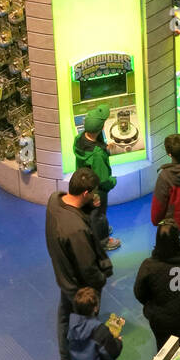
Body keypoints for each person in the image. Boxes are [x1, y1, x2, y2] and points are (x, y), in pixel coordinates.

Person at [45, 167, 113, 360]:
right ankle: (87, 356)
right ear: (86, 193)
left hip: (64, 275)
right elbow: (88, 267)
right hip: (79, 285)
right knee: (86, 322)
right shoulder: (76, 230)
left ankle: (65, 354)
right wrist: (100, 280)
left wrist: (90, 206)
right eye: (92, 192)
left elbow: (75, 212)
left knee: (64, 314)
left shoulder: (54, 200)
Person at [72, 105, 120, 251]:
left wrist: (104, 147)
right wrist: (113, 181)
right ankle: (103, 240)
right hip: (97, 190)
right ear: (101, 127)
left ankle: (96, 230)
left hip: (84, 183)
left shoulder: (79, 139)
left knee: (90, 211)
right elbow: (103, 180)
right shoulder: (98, 155)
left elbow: (90, 152)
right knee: (99, 214)